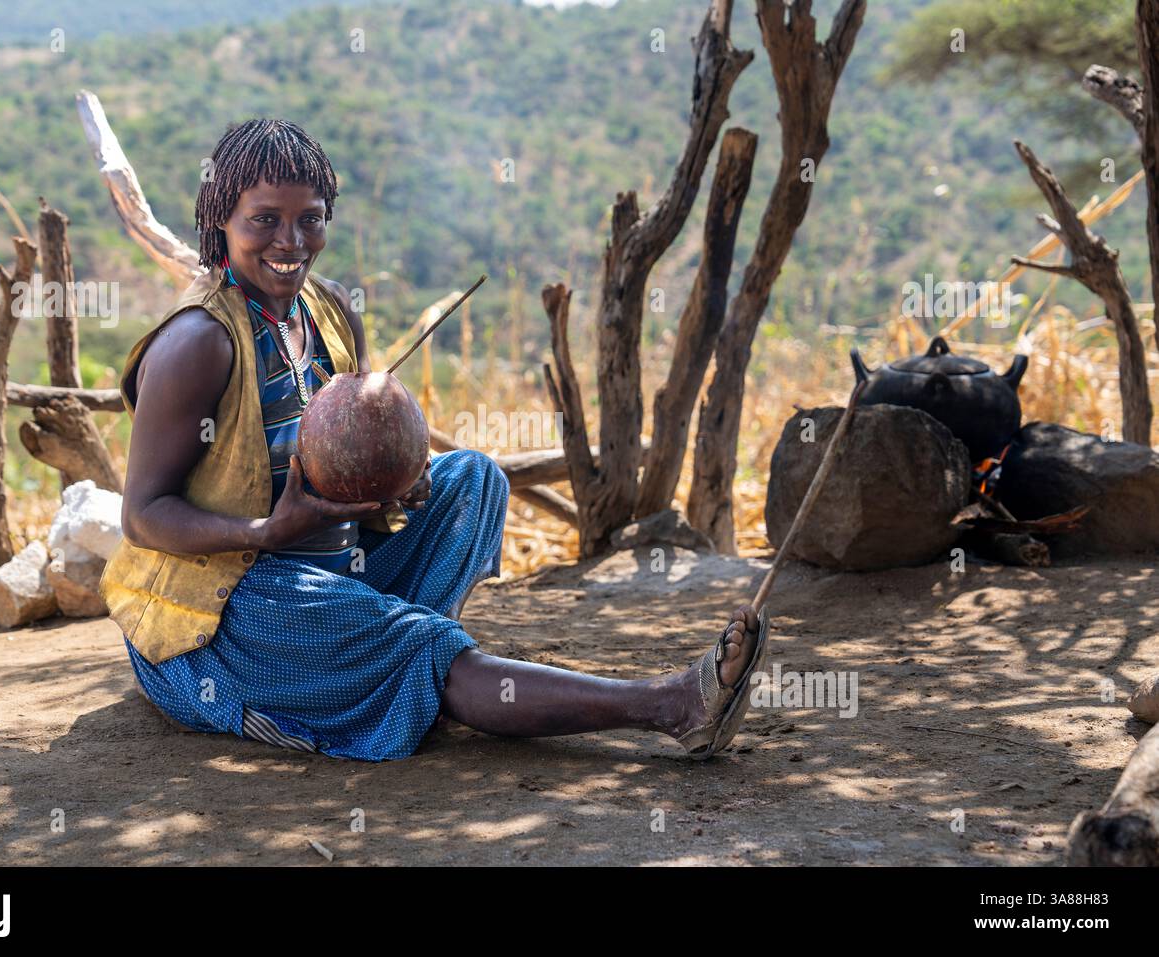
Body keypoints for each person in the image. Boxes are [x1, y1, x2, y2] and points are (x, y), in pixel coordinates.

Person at [99, 118, 769, 763]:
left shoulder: (328, 311)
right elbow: (144, 515)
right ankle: (669, 705)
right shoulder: (198, 343)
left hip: (326, 563)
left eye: (311, 219)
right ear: (221, 218)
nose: (291, 240)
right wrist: (268, 531)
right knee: (421, 646)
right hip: (221, 614)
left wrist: (394, 482)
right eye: (264, 219)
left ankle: (387, 662)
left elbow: (345, 457)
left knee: (474, 479)